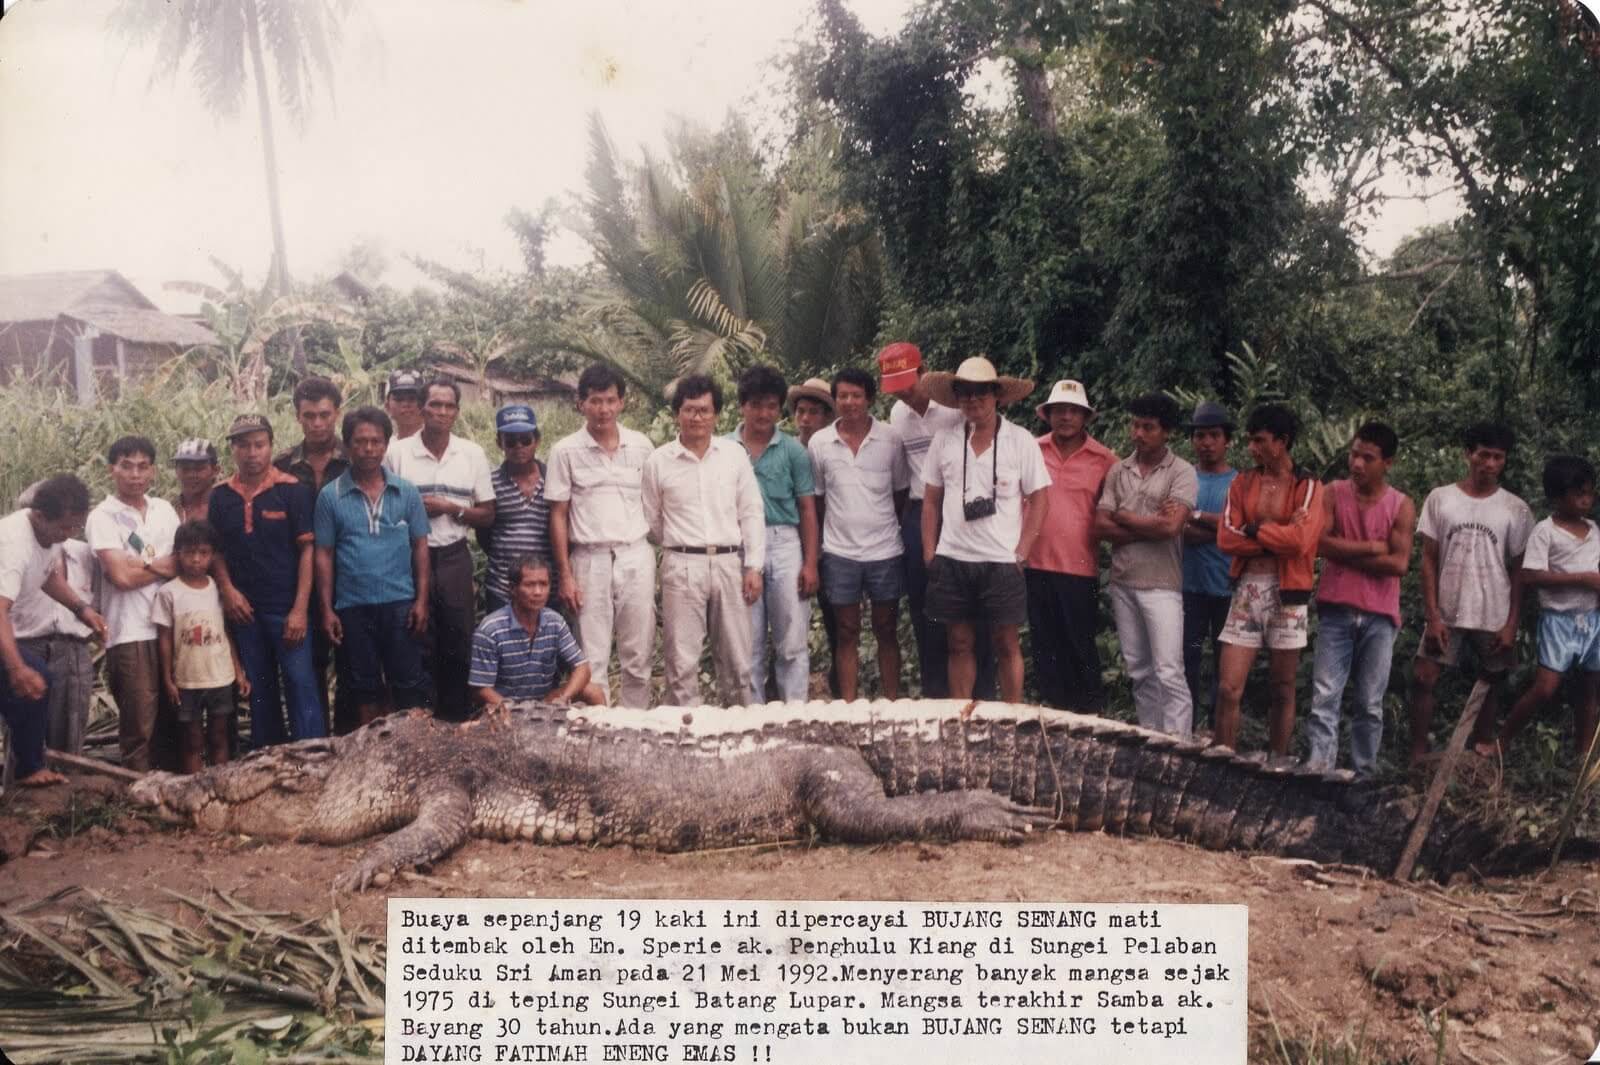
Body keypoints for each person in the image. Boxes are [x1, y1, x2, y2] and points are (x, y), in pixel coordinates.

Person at [919, 357, 1050, 701]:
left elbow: (1040, 499)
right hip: (953, 557)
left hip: (1001, 560)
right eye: (965, 393)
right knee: (958, 643)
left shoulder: (1021, 441)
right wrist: (930, 551)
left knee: (1006, 642)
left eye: (981, 393)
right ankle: (962, 715)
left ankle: (1012, 719)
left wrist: (1022, 551)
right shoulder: (945, 440)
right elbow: (931, 499)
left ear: (997, 396)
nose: (973, 400)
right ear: (957, 397)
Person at [1407, 422, 1533, 765]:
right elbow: (1428, 560)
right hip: (1448, 609)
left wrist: (1511, 624)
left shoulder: (1516, 509)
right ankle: (1418, 753)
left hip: (1493, 609)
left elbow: (1520, 572)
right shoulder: (1441, 499)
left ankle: (1480, 749)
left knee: (1491, 679)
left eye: (1498, 457)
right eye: (1484, 455)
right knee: (1423, 677)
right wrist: (1433, 615)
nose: (1490, 464)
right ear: (1468, 454)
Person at [643, 374, 766, 707]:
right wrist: (678, 546)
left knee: (738, 663)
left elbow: (751, 511)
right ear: (676, 414)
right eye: (689, 410)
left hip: (729, 563)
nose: (697, 417)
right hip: (681, 564)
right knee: (681, 666)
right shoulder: (658, 462)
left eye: (704, 410)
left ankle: (741, 738)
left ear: (717, 415)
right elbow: (653, 519)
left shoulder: (734, 456)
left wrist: (754, 565)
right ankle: (686, 744)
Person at [881, 343, 993, 699]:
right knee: (925, 606)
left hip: (962, 514)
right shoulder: (897, 416)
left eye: (907, 383)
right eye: (894, 385)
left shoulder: (954, 411)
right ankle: (936, 693)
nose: (902, 392)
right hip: (919, 514)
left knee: (972, 604)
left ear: (923, 371)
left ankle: (981, 694)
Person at [1214, 404, 1326, 755]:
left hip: (1288, 593)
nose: (1252, 448)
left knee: (1283, 687)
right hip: (1247, 590)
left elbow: (1301, 542)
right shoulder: (1243, 481)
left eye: (1259, 441)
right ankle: (1222, 758)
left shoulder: (1307, 485)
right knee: (1229, 687)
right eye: (1250, 441)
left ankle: (1277, 765)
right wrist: (1277, 533)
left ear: (1282, 441)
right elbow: (1226, 537)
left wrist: (1257, 528)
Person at [546, 365, 657, 709]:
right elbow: (558, 514)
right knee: (591, 655)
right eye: (595, 401)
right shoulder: (565, 451)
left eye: (611, 400)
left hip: (635, 555)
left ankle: (637, 728)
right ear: (581, 403)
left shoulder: (641, 446)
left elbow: (654, 503)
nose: (604, 409)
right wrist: (565, 574)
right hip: (588, 560)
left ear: (622, 402)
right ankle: (598, 732)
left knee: (638, 652)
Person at [1306, 423, 1414, 775]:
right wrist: (1371, 548)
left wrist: (1343, 551)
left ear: (1388, 463)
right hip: (1336, 607)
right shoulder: (1333, 493)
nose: (1357, 464)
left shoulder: (1400, 505)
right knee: (1325, 695)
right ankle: (1320, 769)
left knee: (1369, 702)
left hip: (1381, 616)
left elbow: (1398, 563)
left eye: (1368, 458)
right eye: (1354, 454)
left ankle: (1362, 774)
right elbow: (1320, 543)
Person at [385, 378, 495, 721]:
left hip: (453, 557)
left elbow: (488, 514)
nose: (442, 412)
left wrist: (450, 508)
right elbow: (385, 508)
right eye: (435, 404)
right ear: (422, 408)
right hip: (407, 559)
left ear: (457, 412)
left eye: (449, 406)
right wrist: (414, 510)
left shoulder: (471, 453)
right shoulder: (398, 453)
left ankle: (456, 721)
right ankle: (418, 723)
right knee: (415, 639)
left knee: (458, 640)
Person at [209, 412, 323, 746]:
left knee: (301, 684)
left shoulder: (292, 491)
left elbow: (307, 552)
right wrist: (228, 590)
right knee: (260, 689)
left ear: (271, 446)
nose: (252, 452)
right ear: (233, 450)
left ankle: (311, 759)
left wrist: (300, 609)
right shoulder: (221, 497)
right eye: (244, 445)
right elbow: (215, 552)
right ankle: (268, 762)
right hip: (244, 610)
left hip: (286, 608)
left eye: (259, 444)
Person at [314, 407, 432, 726]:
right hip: (353, 606)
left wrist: (421, 601)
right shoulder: (330, 496)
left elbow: (420, 546)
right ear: (348, 445)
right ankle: (372, 759)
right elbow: (323, 555)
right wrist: (327, 609)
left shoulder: (406, 492)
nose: (368, 449)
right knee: (363, 688)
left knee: (408, 684)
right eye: (360, 442)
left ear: (386, 444)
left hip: (400, 604)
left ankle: (413, 751)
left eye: (376, 441)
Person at [1481, 455, 1599, 759]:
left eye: (1590, 492)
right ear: (1557, 497)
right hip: (1558, 621)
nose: (1587, 499)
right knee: (1545, 687)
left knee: (1589, 689)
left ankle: (1584, 757)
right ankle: (1502, 741)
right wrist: (1582, 579)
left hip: (1592, 620)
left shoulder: (1594, 530)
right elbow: (1530, 575)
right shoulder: (1546, 531)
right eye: (1579, 493)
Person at [1094, 393, 1198, 736]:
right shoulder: (1117, 471)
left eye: (1148, 427)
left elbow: (1171, 527)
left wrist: (1123, 517)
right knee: (1139, 669)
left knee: (1169, 669)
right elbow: (1100, 526)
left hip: (1162, 584)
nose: (1138, 433)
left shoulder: (1181, 472)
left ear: (1166, 431)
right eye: (1136, 425)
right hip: (1123, 581)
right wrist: (1147, 525)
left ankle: (1179, 745)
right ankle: (1152, 738)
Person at [809, 367, 910, 701]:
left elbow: (899, 493)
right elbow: (819, 499)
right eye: (842, 396)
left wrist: (880, 525)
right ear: (834, 399)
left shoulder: (891, 439)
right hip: (840, 554)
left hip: (885, 551)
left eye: (856, 395)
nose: (849, 402)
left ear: (869, 398)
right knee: (847, 631)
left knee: (886, 629)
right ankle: (850, 707)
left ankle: (892, 703)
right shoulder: (820, 443)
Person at [0, 475, 105, 786]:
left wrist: (82, 610)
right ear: (40, 515)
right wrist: (16, 667)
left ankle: (29, 770)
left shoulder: (46, 536)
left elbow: (47, 577)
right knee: (27, 678)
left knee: (38, 680)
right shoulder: (12, 545)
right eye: (64, 527)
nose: (69, 535)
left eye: (75, 527)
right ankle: (26, 770)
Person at [87, 436, 182, 771]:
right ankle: (136, 798)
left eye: (143, 466)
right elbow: (120, 578)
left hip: (170, 627)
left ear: (153, 471)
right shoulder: (103, 516)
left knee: (175, 717)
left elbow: (181, 563)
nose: (135, 474)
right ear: (112, 469)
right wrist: (161, 566)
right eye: (126, 466)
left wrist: (137, 564)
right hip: (129, 631)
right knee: (139, 723)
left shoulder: (165, 510)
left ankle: (170, 796)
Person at [1024, 380, 1117, 712]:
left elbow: (1115, 510)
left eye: (1073, 411)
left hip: (1079, 567)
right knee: (1043, 647)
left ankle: (1090, 719)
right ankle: (1054, 717)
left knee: (1080, 645)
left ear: (1085, 417)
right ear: (1047, 415)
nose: (1065, 417)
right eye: (1059, 410)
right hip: (1034, 564)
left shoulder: (1105, 459)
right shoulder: (1030, 449)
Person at [730, 366, 818, 703]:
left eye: (770, 405)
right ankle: (752, 721)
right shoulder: (726, 448)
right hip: (740, 548)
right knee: (747, 643)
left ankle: (795, 716)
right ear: (742, 406)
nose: (763, 413)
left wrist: (810, 563)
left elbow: (808, 510)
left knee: (792, 642)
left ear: (780, 408)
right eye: (755, 404)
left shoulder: (794, 451)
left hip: (784, 543)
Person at [274, 376, 354, 733]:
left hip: (351, 575)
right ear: (298, 417)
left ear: (337, 413)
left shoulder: (357, 457)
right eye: (310, 416)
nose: (318, 423)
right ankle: (317, 746)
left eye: (324, 414)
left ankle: (350, 744)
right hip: (300, 580)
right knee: (310, 666)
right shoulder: (282, 466)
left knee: (353, 665)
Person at [154, 520, 249, 773]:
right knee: (191, 741)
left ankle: (220, 789)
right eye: (189, 552)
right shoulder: (168, 593)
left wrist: (238, 672)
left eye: (203, 553)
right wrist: (168, 679)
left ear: (212, 555)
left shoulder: (218, 590)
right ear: (178, 554)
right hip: (187, 681)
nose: (196, 559)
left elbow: (225, 632)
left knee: (219, 737)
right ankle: (193, 792)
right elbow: (164, 638)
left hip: (219, 677)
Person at [471, 556, 601, 716]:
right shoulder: (491, 629)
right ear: (513, 588)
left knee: (593, 691)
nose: (538, 592)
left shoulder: (555, 622)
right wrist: (513, 711)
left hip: (543, 703)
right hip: (503, 706)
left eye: (543, 584)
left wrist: (563, 699)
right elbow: (480, 688)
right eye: (530, 585)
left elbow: (582, 667)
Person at [1180, 401, 1239, 727]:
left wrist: (1197, 517)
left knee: (1224, 666)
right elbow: (1177, 530)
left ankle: (1218, 732)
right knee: (1186, 659)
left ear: (1227, 439)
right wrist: (1219, 529)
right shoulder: (1183, 478)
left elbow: (1238, 528)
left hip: (1227, 587)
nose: (1206, 442)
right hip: (1188, 586)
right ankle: (1185, 729)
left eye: (1214, 435)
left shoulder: (1238, 483)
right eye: (1200, 435)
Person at [788, 376, 840, 697]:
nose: (806, 419)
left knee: (838, 626)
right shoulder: (787, 450)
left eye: (814, 412)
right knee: (790, 625)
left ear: (827, 416)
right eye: (801, 411)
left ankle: (840, 689)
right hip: (793, 551)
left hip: (831, 550)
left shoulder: (834, 450)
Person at [482, 404, 552, 617]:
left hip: (546, 588)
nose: (518, 446)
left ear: (537, 440)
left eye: (525, 440)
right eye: (510, 442)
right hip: (503, 588)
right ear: (499, 443)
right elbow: (484, 533)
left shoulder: (555, 479)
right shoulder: (489, 482)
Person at [172, 439, 220, 525]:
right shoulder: (168, 510)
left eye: (199, 468)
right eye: (185, 469)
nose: (191, 475)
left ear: (215, 470)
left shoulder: (226, 508)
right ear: (176, 471)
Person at [384, 368, 426, 441]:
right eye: (399, 399)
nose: (406, 404)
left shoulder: (440, 445)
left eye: (412, 399)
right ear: (387, 407)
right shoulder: (384, 448)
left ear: (425, 405)